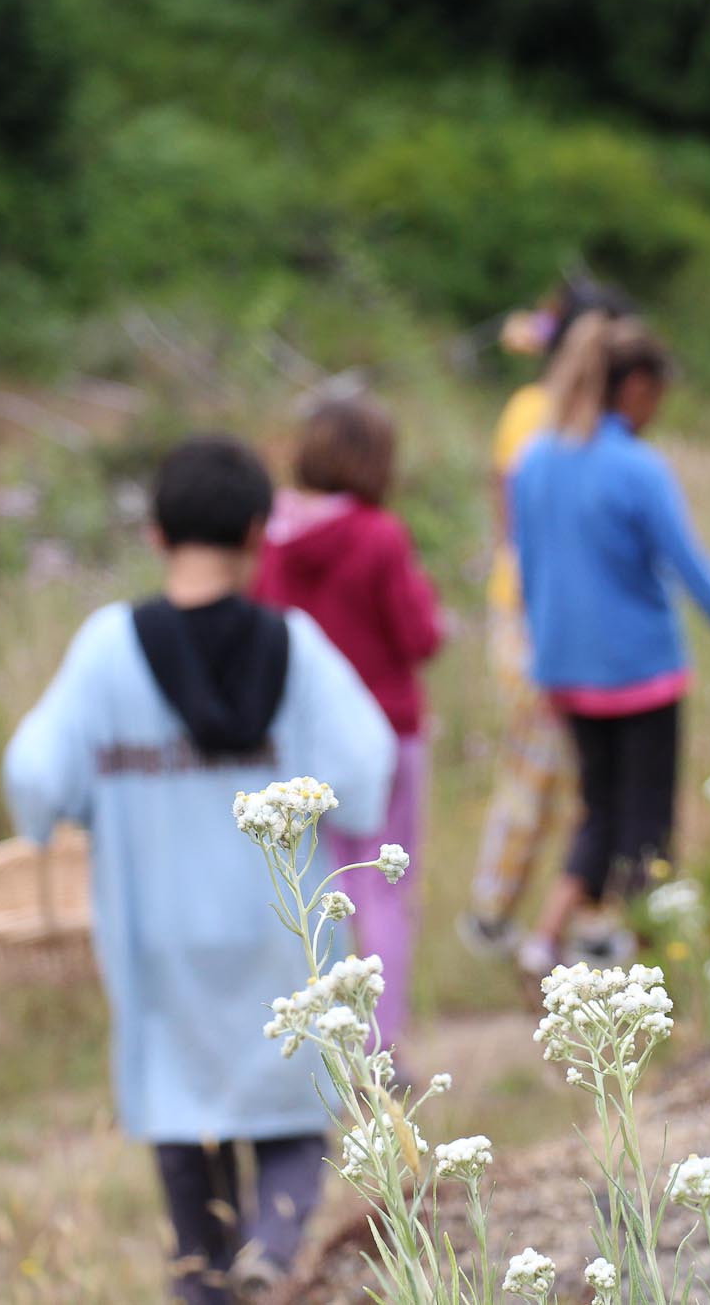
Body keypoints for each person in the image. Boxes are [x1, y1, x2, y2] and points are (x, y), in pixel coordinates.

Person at [3, 435, 397, 1304]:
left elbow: (37, 776)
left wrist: (68, 811)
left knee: (182, 1116)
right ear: (259, 530)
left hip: (158, 936)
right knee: (295, 1108)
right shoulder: (295, 646)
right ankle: (272, 1248)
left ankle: (207, 1275)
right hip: (277, 927)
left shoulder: (109, 646)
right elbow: (368, 768)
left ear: (155, 532)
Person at [510, 315, 710, 975]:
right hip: (641, 672)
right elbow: (697, 577)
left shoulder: (533, 461)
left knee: (599, 810)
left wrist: (545, 662)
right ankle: (645, 969)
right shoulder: (639, 469)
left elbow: (531, 574)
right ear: (637, 386)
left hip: (567, 672)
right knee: (647, 831)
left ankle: (546, 941)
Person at [254, 395, 441, 1049]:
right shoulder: (379, 534)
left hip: (299, 741)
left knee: (315, 891)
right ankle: (378, 1046)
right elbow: (419, 636)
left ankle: (317, 1035)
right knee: (382, 886)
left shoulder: (271, 536)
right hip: (385, 732)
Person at [461, 281, 635, 957]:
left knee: (552, 769)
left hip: (537, 613)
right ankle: (557, 919)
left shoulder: (542, 413)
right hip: (541, 618)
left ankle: (511, 913)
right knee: (557, 768)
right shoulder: (543, 415)